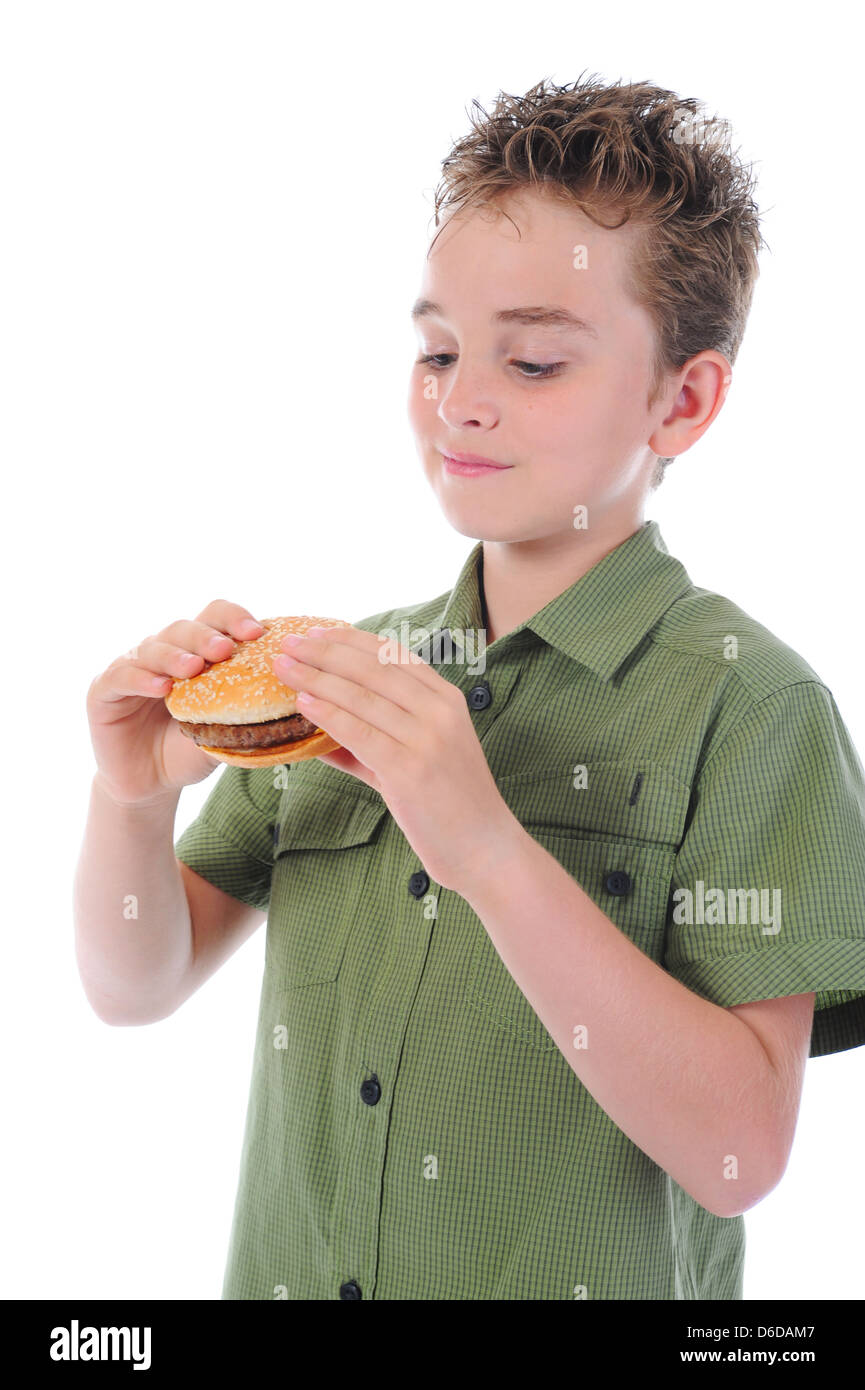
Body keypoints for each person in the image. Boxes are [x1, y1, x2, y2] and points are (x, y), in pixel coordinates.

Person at [76, 74, 865, 1300]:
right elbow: (134, 986)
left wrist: (488, 848)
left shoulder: (751, 709)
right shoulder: (333, 673)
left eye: (536, 360)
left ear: (685, 399)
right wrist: (128, 800)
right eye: (437, 348)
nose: (461, 398)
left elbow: (737, 1151)